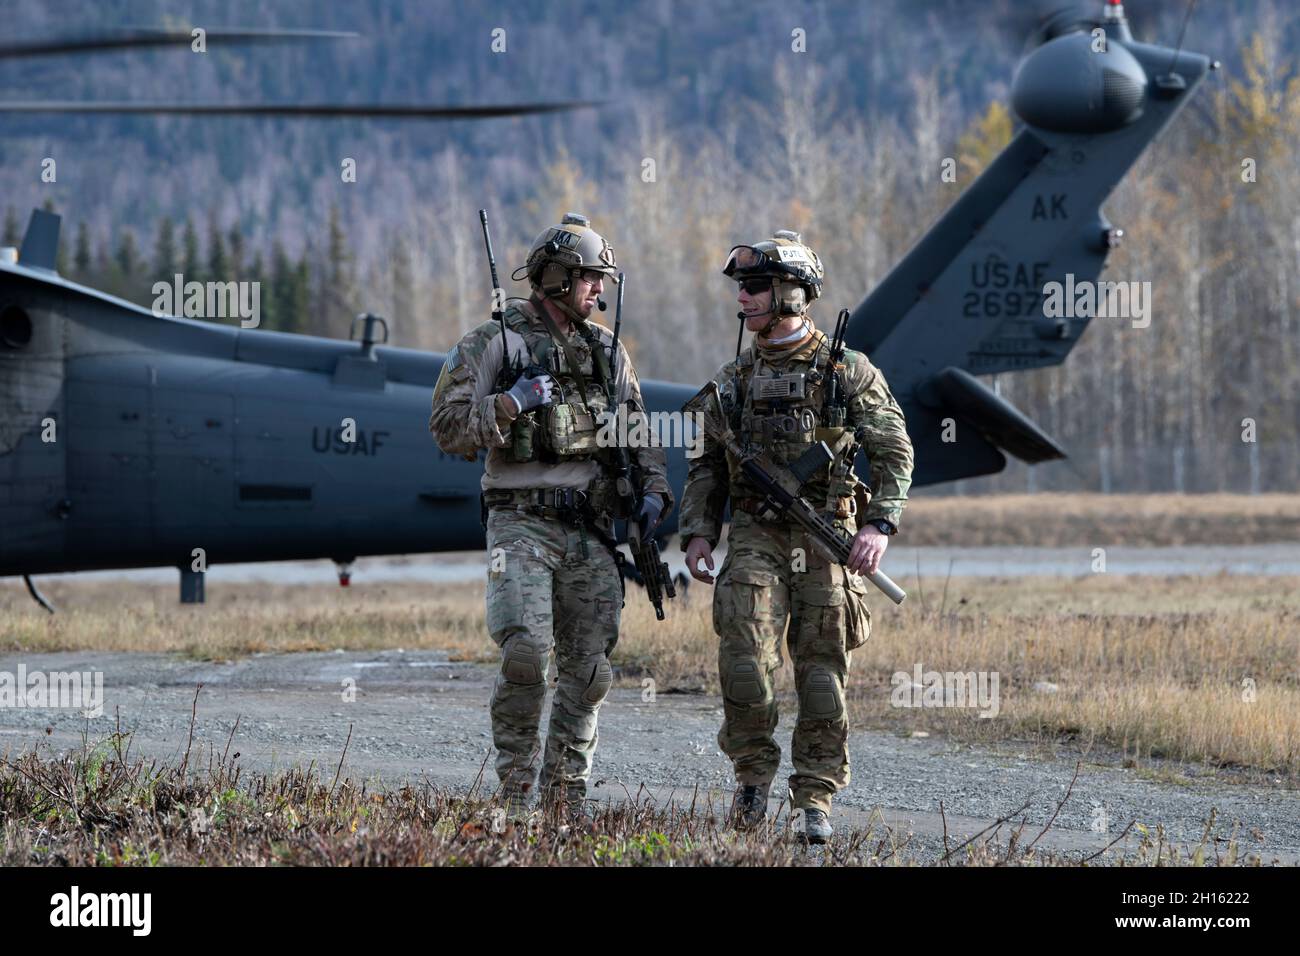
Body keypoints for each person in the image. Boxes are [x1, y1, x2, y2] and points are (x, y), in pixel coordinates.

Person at [429, 212, 673, 820]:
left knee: (589, 669)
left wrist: (652, 494)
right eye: (591, 279)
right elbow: (446, 429)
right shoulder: (495, 343)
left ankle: (566, 798)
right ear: (558, 278)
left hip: (589, 530)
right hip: (520, 521)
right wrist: (510, 403)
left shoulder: (606, 352)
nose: (600, 291)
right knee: (524, 654)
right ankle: (516, 794)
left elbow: (638, 432)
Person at [678, 230, 913, 844]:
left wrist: (879, 523)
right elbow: (704, 465)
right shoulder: (733, 378)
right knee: (745, 663)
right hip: (755, 533)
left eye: (754, 288)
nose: (743, 299)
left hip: (827, 534)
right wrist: (700, 532)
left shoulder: (847, 372)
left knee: (820, 673)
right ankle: (752, 779)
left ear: (791, 292)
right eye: (741, 289)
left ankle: (815, 797)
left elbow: (894, 449)